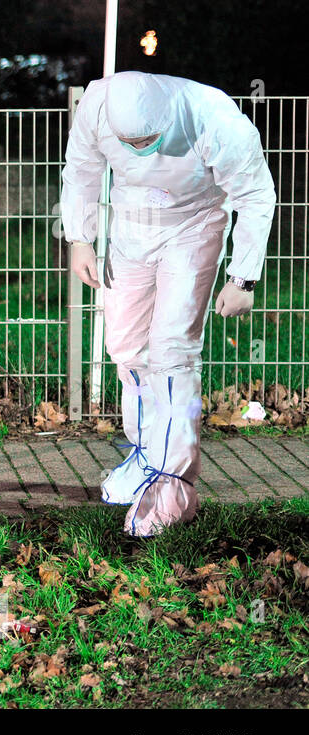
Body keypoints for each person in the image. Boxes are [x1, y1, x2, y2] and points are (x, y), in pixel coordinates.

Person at [61, 71, 275, 536]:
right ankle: (146, 454)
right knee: (126, 347)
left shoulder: (214, 117)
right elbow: (81, 167)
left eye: (148, 138)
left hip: (193, 226)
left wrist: (243, 277)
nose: (138, 147)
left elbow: (255, 195)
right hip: (132, 227)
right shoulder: (98, 104)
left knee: (172, 350)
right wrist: (79, 237)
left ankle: (174, 482)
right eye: (129, 140)